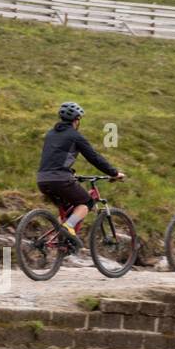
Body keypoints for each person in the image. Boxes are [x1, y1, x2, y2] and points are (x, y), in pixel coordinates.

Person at [36, 101, 124, 252]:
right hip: (60, 179)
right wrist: (114, 173)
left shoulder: (50, 134)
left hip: (43, 179)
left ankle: (60, 240)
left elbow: (55, 157)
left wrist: (70, 172)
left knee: (66, 210)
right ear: (76, 120)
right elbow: (94, 157)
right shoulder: (75, 136)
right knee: (86, 202)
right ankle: (68, 227)